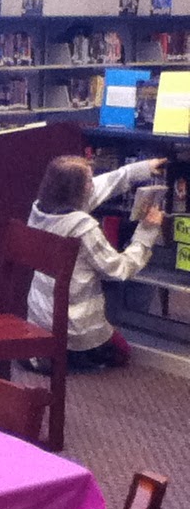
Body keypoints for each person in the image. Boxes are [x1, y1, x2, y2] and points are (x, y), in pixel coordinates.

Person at [27, 155, 166, 370]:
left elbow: (104, 185)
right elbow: (119, 270)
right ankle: (71, 356)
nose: (93, 185)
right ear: (79, 189)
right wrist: (147, 232)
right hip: (75, 325)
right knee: (122, 353)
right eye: (89, 181)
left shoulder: (39, 211)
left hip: (40, 319)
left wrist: (143, 168)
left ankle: (47, 354)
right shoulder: (84, 227)